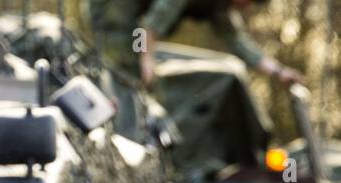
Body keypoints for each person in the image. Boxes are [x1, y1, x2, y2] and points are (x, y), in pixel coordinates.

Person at [82, 0, 304, 88]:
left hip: (136, 23)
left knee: (141, 74)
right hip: (113, 8)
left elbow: (238, 42)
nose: (246, 7)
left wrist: (279, 72)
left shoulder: (220, 7)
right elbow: (149, 26)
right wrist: (146, 58)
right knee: (124, 67)